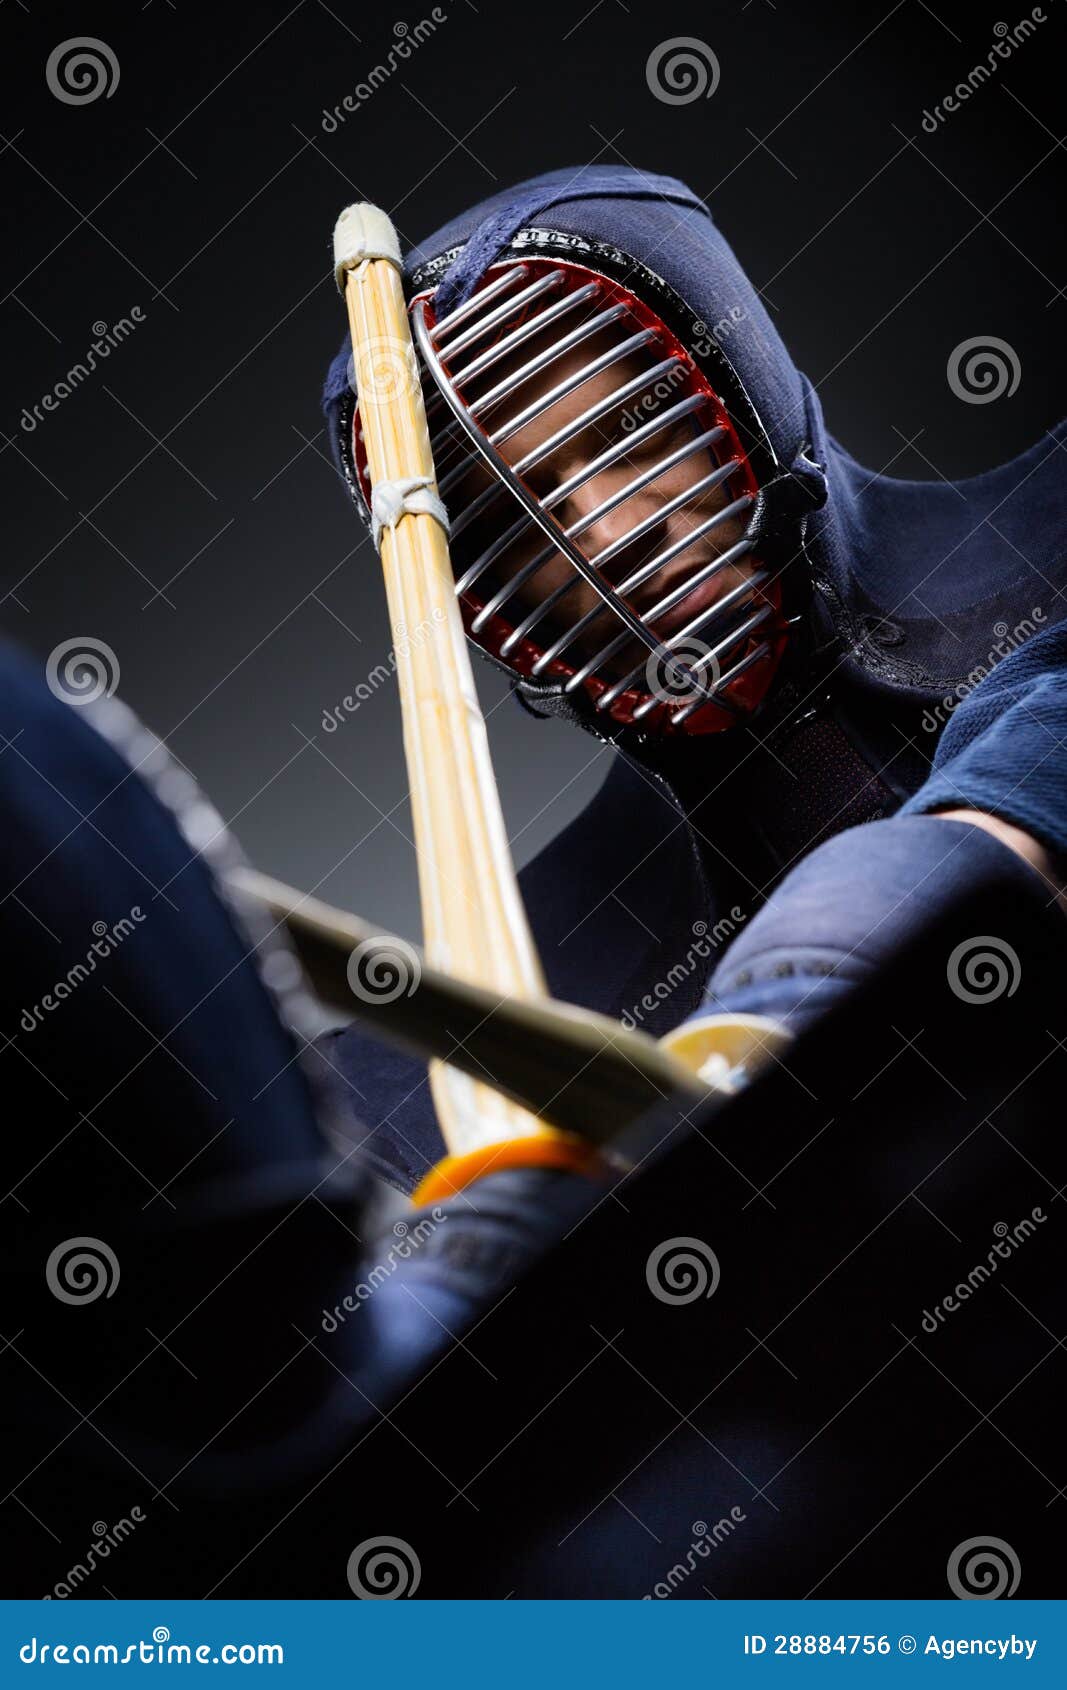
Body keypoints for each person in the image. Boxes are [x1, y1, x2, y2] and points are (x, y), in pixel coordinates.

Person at [320, 165, 1067, 1189]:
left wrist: (1000, 821)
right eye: (510, 517)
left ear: (736, 376)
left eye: (629, 428)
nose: (610, 538)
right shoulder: (492, 1033)